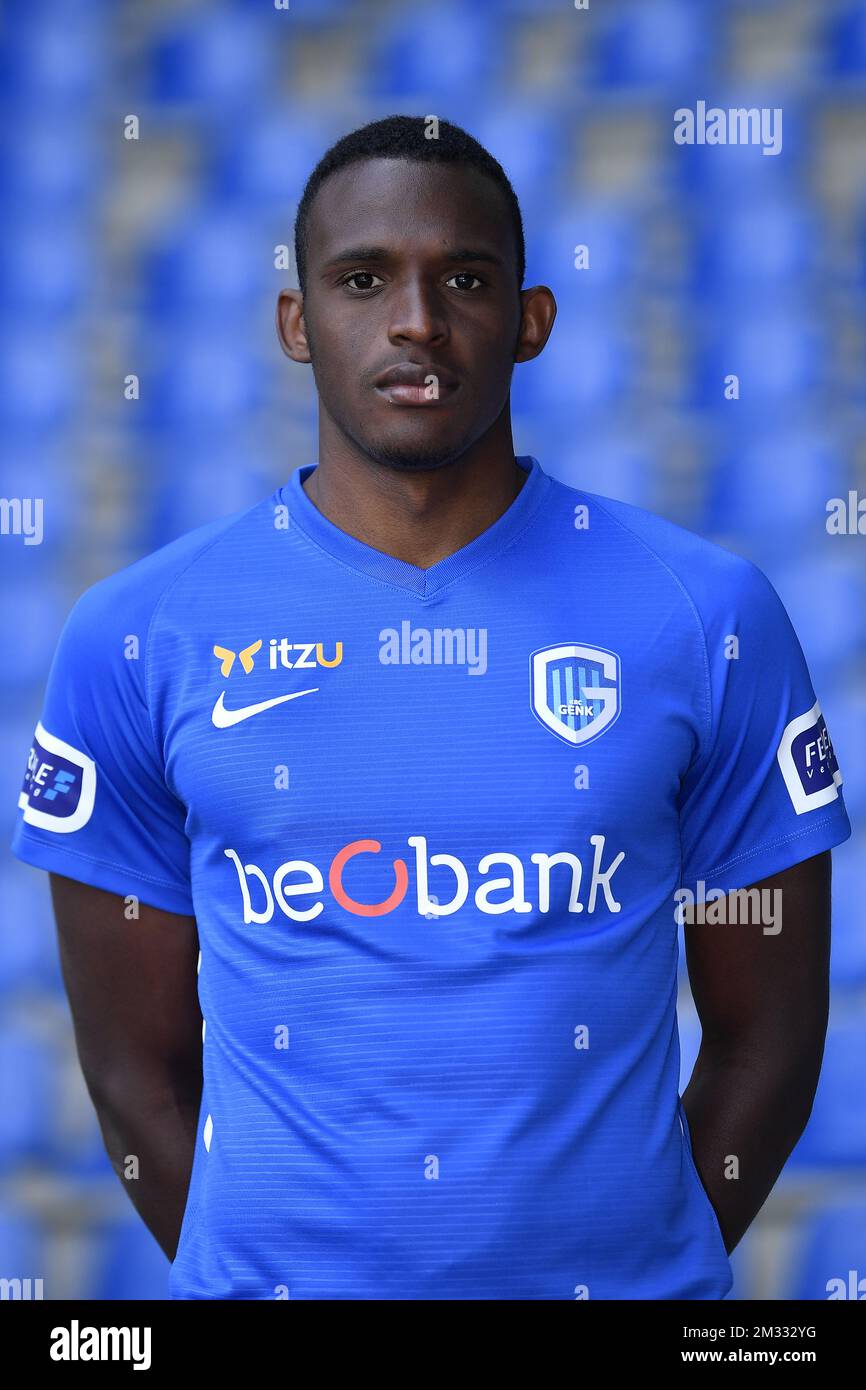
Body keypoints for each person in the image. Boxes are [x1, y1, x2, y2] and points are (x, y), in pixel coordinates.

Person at [10, 115, 851, 1300]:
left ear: (531, 319)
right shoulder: (135, 633)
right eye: (362, 281)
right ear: (296, 324)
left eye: (463, 278)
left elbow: (768, 1036)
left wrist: (629, 1274)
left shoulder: (702, 612)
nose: (415, 321)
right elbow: (130, 1072)